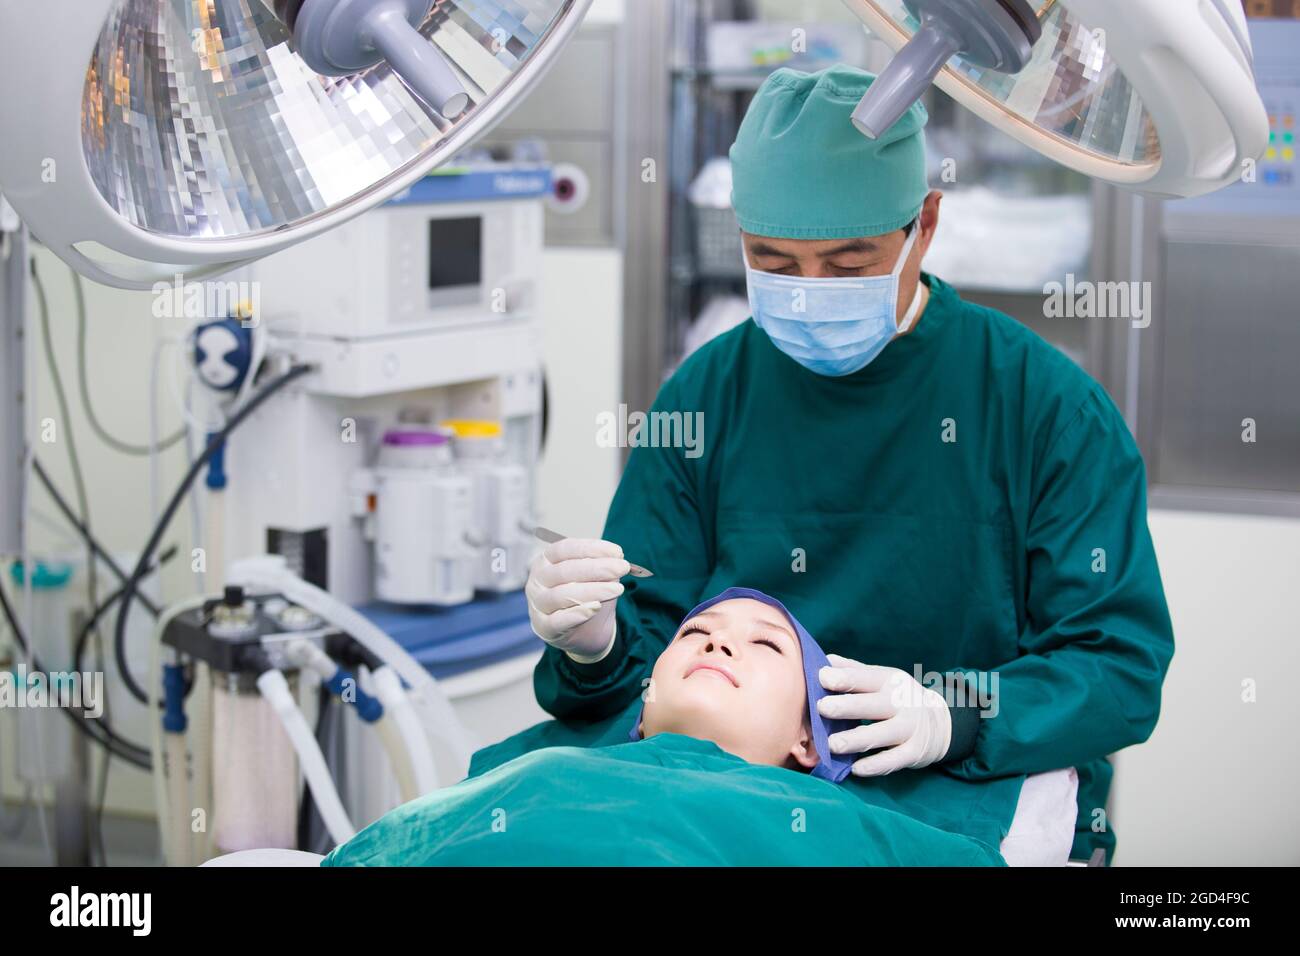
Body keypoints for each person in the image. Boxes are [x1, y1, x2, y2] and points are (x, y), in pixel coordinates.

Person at [524, 65, 1174, 862]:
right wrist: (591, 647)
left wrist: (955, 714)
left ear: (924, 225)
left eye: (846, 265)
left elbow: (1116, 666)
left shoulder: (1044, 409)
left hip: (960, 810)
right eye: (776, 262)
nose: (806, 294)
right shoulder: (707, 393)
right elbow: (650, 671)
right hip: (722, 814)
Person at [322, 589, 1003, 866]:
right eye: (696, 633)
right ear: (641, 710)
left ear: (809, 739)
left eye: (766, 646)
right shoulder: (538, 773)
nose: (718, 644)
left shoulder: (827, 817)